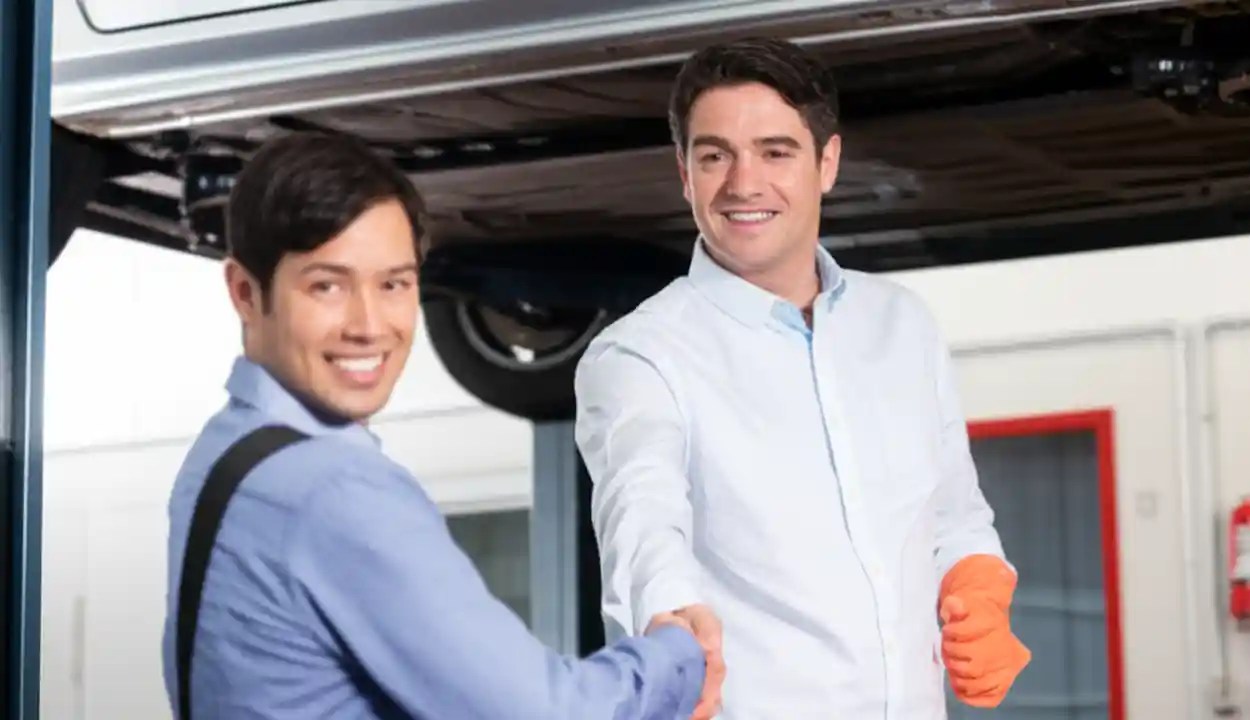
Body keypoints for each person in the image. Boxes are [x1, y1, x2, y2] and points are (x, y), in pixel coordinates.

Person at [160, 131, 722, 720]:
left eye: (394, 284)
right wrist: (679, 655)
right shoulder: (333, 489)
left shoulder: (223, 456)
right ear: (246, 294)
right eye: (327, 286)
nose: (369, 325)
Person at [574, 37, 1031, 719]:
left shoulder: (902, 326)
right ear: (684, 172)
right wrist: (673, 623)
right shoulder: (641, 356)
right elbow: (643, 523)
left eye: (775, 151)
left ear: (828, 162)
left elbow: (954, 514)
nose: (742, 183)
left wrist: (980, 584)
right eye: (714, 156)